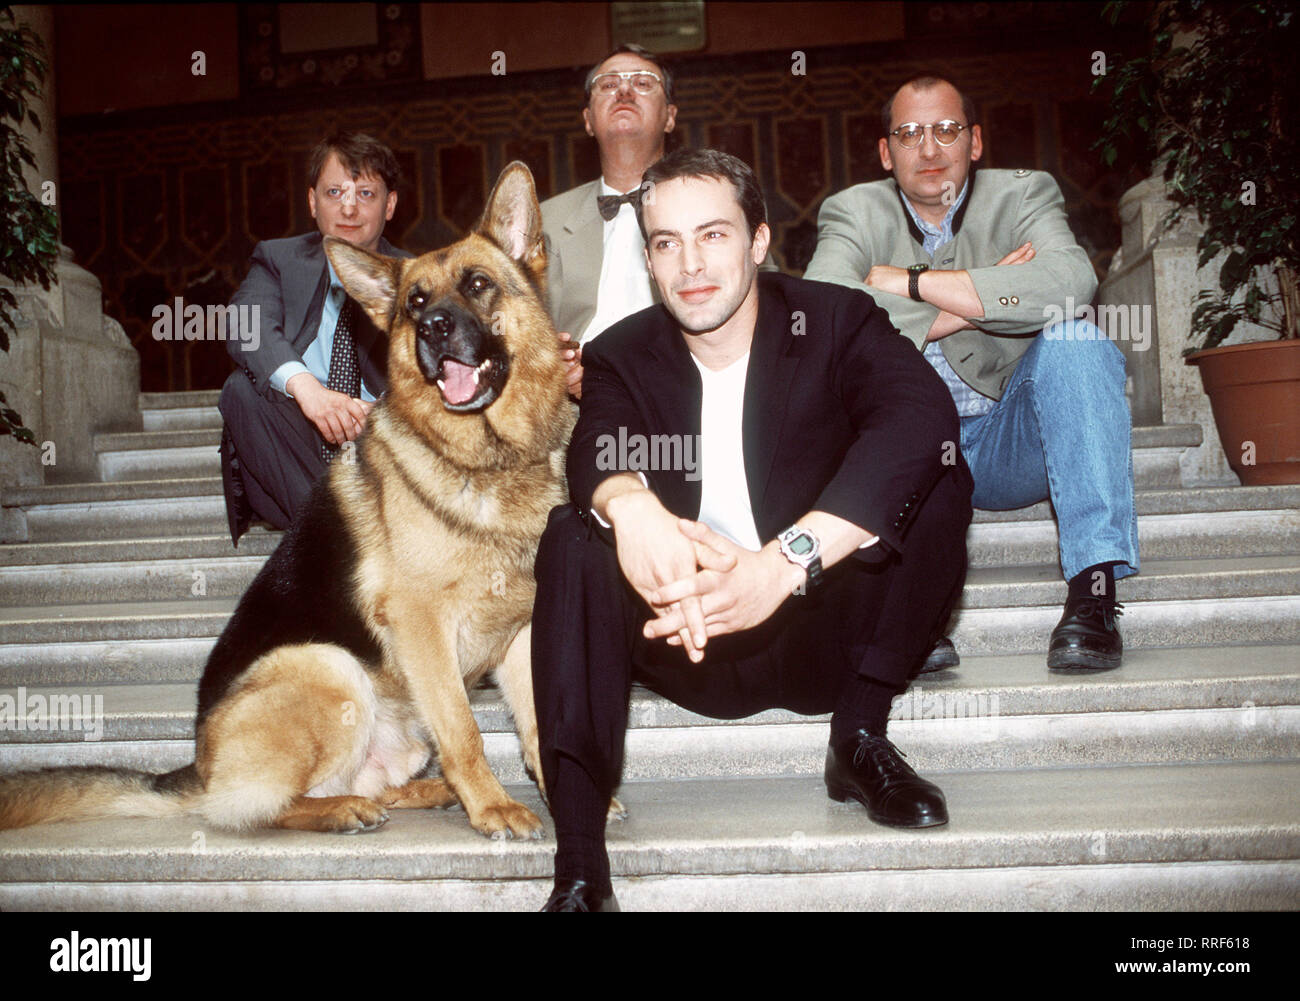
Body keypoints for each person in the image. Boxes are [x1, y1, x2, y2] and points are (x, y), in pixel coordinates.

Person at [531, 148, 972, 912]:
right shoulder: (623, 353)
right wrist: (633, 510)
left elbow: (920, 417)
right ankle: (580, 865)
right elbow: (597, 445)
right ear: (649, 258)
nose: (690, 264)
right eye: (666, 243)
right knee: (573, 533)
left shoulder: (835, 321)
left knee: (938, 475)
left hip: (819, 627)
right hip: (690, 635)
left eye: (714, 235)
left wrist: (784, 563)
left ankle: (859, 739)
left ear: (759, 241)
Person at [804, 74, 1137, 673]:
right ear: (886, 153)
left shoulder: (1025, 193)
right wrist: (975, 304)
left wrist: (906, 283)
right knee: (821, 387)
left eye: (946, 130)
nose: (928, 149)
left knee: (1077, 338)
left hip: (1008, 440)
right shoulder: (852, 211)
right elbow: (825, 309)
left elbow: (1068, 286)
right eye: (908, 133)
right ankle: (909, 611)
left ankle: (1093, 590)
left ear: (975, 142)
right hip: (908, 453)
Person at [218, 131, 412, 544]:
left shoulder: (418, 277)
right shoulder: (279, 259)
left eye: (366, 193)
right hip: (295, 448)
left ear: (389, 205)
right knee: (240, 390)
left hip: (383, 452)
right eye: (334, 191)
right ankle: (340, 537)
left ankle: (331, 536)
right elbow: (243, 324)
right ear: (312, 202)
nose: (348, 206)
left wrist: (381, 416)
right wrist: (310, 391)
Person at [541, 43, 678, 400]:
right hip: (575, 415)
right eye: (608, 83)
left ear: (670, 116)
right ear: (588, 120)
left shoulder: (718, 204)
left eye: (644, 83)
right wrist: (549, 361)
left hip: (685, 398)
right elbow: (508, 325)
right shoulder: (545, 221)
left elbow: (759, 313)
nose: (624, 90)